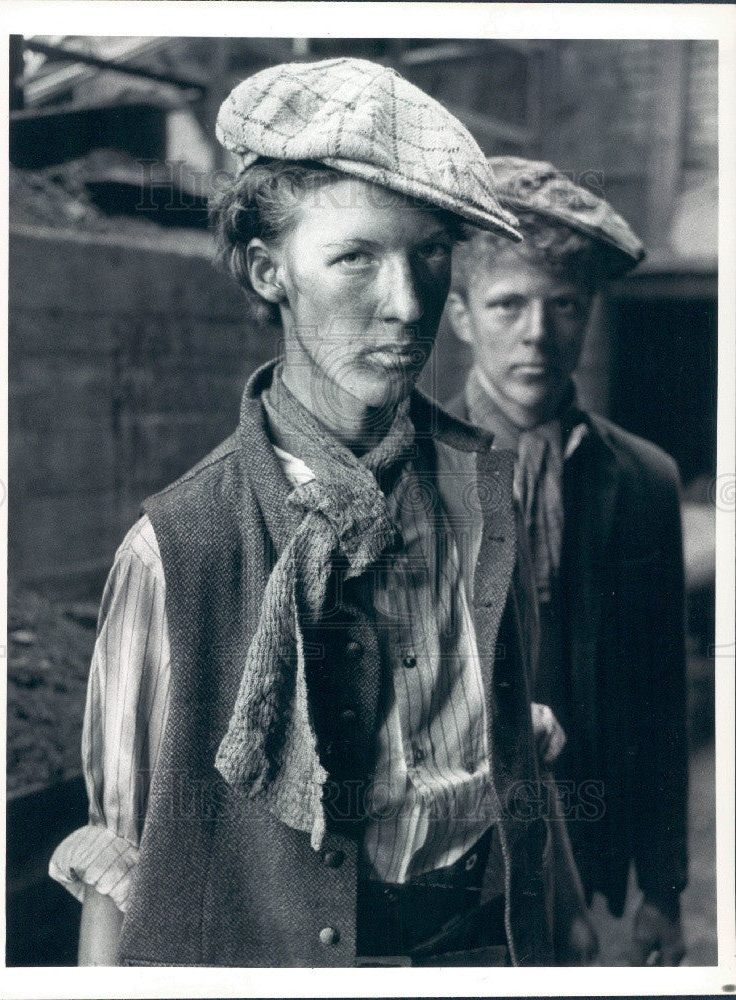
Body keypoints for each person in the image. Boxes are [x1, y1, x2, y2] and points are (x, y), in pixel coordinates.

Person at [50, 60, 590, 968]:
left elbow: (511, 743)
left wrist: (565, 916)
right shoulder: (179, 546)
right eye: (355, 258)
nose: (408, 304)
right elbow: (125, 849)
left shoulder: (482, 493)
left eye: (430, 254)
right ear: (270, 272)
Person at [444, 156, 688, 965]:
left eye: (564, 307)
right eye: (507, 305)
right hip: (457, 858)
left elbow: (659, 696)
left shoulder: (645, 478)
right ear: (460, 315)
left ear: (590, 315)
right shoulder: (411, 466)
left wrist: (663, 888)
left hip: (598, 849)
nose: (538, 335)